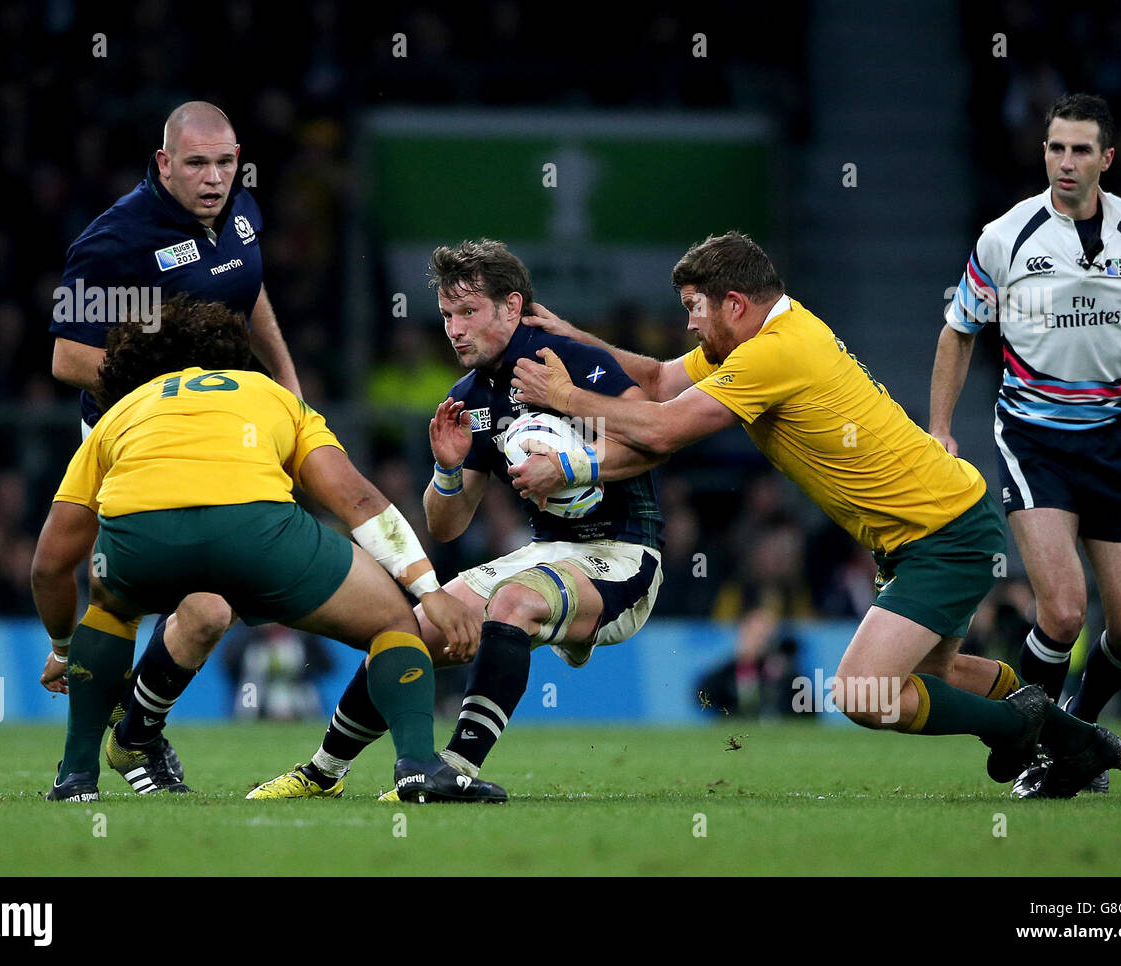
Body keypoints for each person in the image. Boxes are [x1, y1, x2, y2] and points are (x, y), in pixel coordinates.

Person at [512, 230, 1121, 798]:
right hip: (927, 529)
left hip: (944, 532)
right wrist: (570, 337)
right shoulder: (764, 338)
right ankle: (1075, 744)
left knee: (864, 691)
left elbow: (667, 428)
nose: (690, 324)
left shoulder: (773, 353)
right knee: (935, 676)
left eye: (694, 309)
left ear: (734, 304)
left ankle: (1016, 727)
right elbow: (657, 379)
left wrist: (565, 398)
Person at [32, 294, 506, 804]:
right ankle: (416, 766)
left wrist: (62, 648)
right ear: (233, 353)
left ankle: (77, 776)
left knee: (110, 608)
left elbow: (49, 565)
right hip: (258, 535)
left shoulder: (120, 412)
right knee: (392, 622)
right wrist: (426, 590)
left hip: (141, 540)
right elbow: (355, 498)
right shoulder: (267, 392)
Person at [248, 239, 665, 800]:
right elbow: (445, 526)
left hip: (622, 552)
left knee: (514, 603)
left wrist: (569, 465)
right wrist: (446, 471)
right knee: (413, 629)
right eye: (447, 315)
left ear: (511, 307)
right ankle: (322, 772)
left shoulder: (574, 362)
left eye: (468, 312)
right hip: (546, 552)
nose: (454, 328)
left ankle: (454, 769)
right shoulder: (469, 397)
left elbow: (657, 438)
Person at [930, 93, 1121, 796]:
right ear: (1043, 152)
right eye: (1056, 148)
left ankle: (1074, 731)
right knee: (1064, 611)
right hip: (1033, 442)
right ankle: (1042, 742)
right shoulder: (1007, 235)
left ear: (1108, 160)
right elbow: (960, 329)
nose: (1066, 162)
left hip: (1117, 445)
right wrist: (939, 428)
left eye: (1081, 150)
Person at [44, 101, 302, 802]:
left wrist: (288, 380)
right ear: (163, 164)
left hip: (219, 441)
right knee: (121, 593)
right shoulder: (119, 241)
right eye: (196, 164)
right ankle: (77, 772)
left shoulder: (239, 209)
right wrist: (163, 399)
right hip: (130, 441)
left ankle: (134, 733)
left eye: (225, 163)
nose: (214, 178)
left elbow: (247, 292)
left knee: (211, 609)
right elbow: (69, 356)